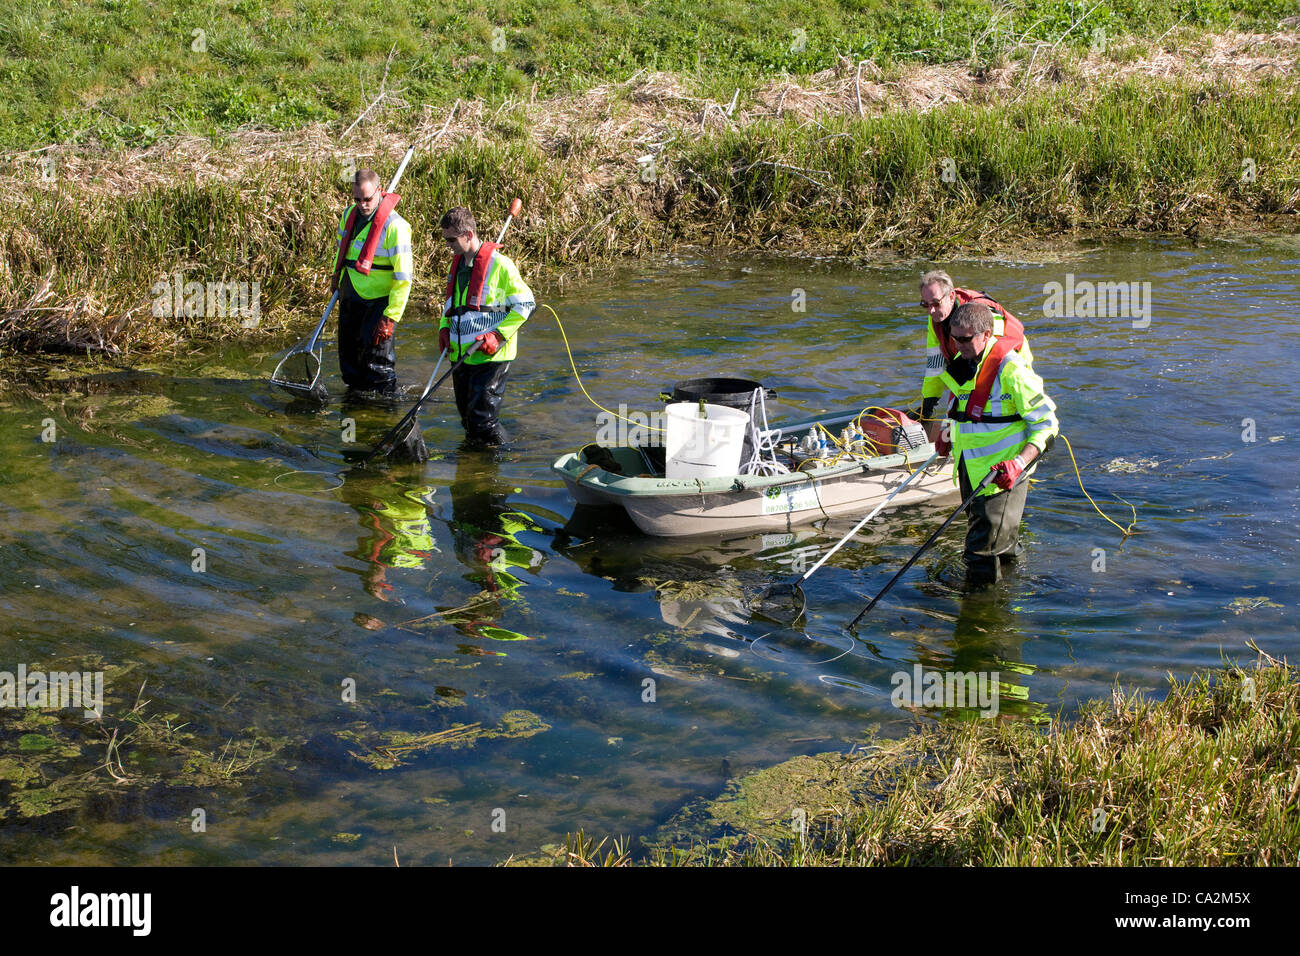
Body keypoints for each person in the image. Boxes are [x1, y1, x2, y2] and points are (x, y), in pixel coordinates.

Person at [935, 302, 1058, 588]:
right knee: (998, 546)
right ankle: (1014, 594)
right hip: (970, 469)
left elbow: (1047, 424)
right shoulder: (963, 364)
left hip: (1001, 477)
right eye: (954, 338)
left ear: (986, 334)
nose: (958, 345)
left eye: (966, 339)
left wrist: (1017, 464)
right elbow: (960, 409)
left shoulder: (1011, 371)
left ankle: (978, 620)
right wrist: (946, 432)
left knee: (979, 554)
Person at [438, 207, 535, 446]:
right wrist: (443, 327)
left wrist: (498, 335)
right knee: (468, 421)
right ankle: (475, 466)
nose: (448, 245)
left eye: (451, 240)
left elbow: (526, 304)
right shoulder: (458, 265)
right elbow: (452, 302)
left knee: (484, 421)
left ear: (468, 235)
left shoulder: (501, 265)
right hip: (461, 354)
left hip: (491, 356)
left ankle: (509, 458)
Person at [918, 270, 1034, 440]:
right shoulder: (935, 317)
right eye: (925, 305)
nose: (931, 310)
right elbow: (935, 364)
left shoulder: (981, 313)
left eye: (935, 303)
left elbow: (995, 353)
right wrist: (928, 403)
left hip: (1011, 364)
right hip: (968, 359)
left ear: (951, 296)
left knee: (997, 407)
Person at [331, 169, 413, 395]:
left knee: (378, 366)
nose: (362, 205)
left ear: (379, 191)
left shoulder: (395, 227)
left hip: (379, 302)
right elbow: (342, 249)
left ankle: (385, 409)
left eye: (367, 199)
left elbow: (404, 278)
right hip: (351, 294)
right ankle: (356, 405)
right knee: (350, 360)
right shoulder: (349, 215)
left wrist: (391, 317)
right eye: (357, 199)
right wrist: (336, 276)